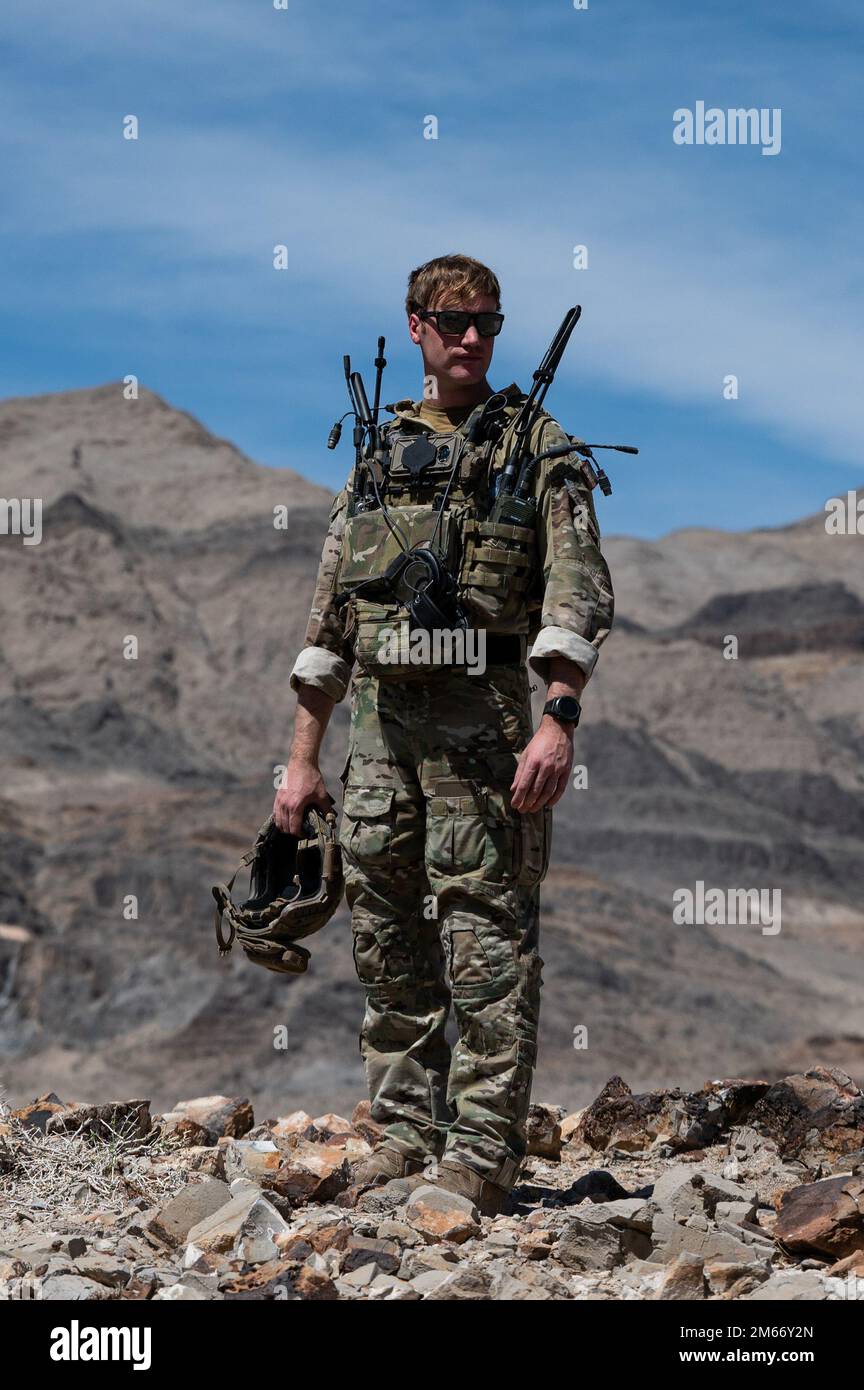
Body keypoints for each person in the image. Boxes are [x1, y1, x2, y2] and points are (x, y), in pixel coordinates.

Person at [274, 253, 614, 1216]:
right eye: (455, 321)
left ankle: (480, 1154)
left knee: (485, 940)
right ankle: (400, 1131)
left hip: (485, 726)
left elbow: (578, 595)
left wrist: (558, 720)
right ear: (416, 324)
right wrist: (300, 764)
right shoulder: (378, 458)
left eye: (490, 323)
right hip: (381, 731)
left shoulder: (538, 446)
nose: (474, 339)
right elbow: (328, 625)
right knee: (385, 934)